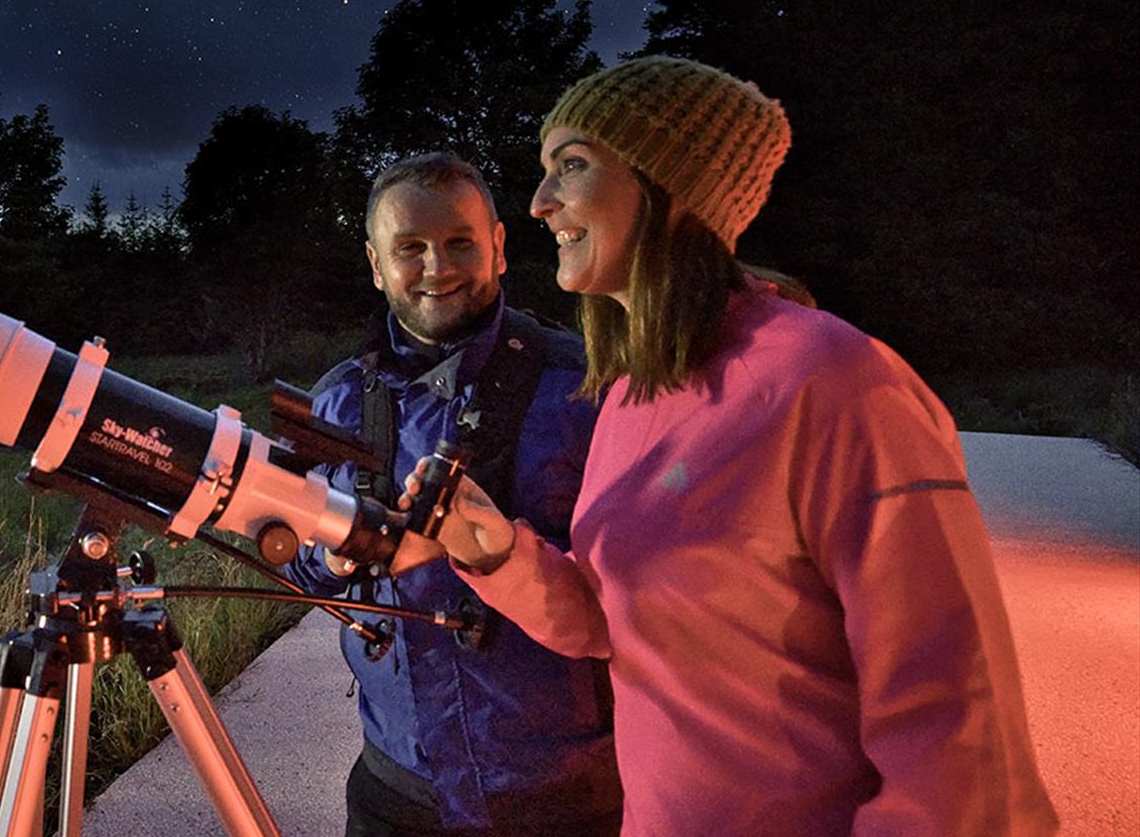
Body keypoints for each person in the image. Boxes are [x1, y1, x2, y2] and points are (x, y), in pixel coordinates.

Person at [415, 57, 1058, 835]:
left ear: (670, 187)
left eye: (573, 166)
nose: (542, 202)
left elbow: (961, 727)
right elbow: (624, 623)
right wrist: (499, 555)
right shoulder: (631, 389)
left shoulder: (832, 382)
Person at [280, 151, 621, 836]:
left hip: (568, 794)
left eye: (459, 242)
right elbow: (289, 559)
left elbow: (648, 591)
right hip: (397, 791)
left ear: (497, 248)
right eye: (410, 248)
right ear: (377, 265)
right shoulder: (335, 404)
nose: (437, 268)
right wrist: (334, 557)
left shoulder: (590, 389)